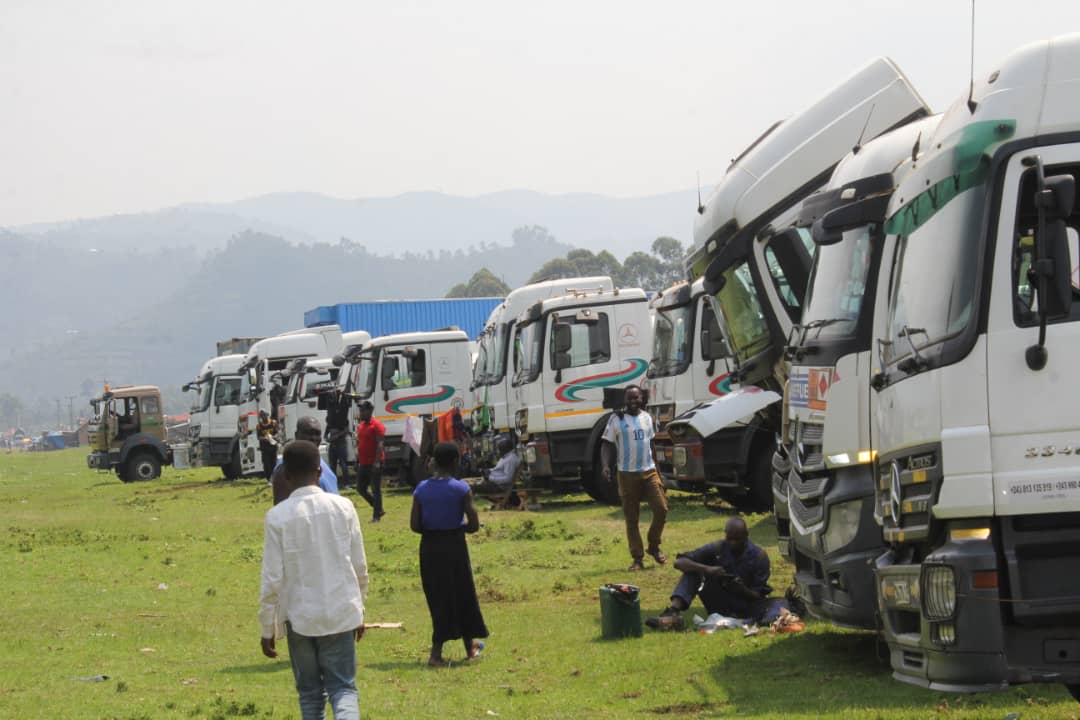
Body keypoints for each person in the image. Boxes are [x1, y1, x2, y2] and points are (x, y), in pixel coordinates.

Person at [259, 439, 369, 720]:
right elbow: (359, 567)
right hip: (341, 611)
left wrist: (267, 629)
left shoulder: (277, 517)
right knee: (343, 690)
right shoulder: (344, 507)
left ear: (285, 476)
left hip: (300, 618)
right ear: (320, 471)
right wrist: (360, 610)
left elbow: (272, 579)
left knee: (310, 695)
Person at [410, 441, 488, 667]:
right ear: (455, 461)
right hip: (455, 547)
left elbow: (415, 525)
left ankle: (436, 653)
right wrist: (457, 528)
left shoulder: (421, 489)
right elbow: (473, 524)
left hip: (430, 549)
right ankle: (469, 647)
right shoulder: (461, 489)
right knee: (463, 593)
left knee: (438, 597)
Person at [646, 516, 783, 630]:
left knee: (774, 605)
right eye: (729, 538)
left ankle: (744, 620)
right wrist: (708, 569)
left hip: (744, 605)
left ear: (746, 536)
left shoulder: (759, 556)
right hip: (719, 602)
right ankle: (672, 614)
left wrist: (742, 589)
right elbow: (679, 563)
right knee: (693, 570)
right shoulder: (718, 547)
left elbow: (759, 596)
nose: (732, 543)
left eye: (737, 539)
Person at [600, 385, 667, 571]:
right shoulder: (616, 419)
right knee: (632, 518)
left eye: (636, 398)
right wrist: (605, 466)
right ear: (624, 400)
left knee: (661, 509)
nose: (633, 401)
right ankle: (637, 558)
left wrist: (659, 474)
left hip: (649, 471)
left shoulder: (647, 418)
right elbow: (605, 444)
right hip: (627, 474)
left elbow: (652, 446)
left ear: (641, 399)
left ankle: (654, 546)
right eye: (629, 398)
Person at [272, 417, 338, 505]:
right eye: (309, 433)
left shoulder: (317, 460)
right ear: (296, 435)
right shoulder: (286, 465)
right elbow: (282, 508)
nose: (313, 438)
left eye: (317, 434)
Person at [354, 400, 386, 522]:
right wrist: (358, 460)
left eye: (362, 411)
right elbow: (360, 444)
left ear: (369, 411)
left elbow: (380, 444)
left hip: (374, 462)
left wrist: (377, 462)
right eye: (360, 410)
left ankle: (376, 516)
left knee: (375, 489)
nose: (360, 413)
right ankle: (378, 507)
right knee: (360, 488)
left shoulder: (377, 425)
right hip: (363, 462)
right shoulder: (360, 426)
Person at [324, 389, 353, 488]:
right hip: (333, 444)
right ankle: (333, 484)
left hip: (340, 444)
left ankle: (347, 483)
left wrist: (336, 436)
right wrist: (326, 437)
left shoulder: (343, 419)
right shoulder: (331, 420)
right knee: (332, 466)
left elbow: (346, 430)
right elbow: (327, 430)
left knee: (343, 464)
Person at [256, 410, 279, 481]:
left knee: (274, 463)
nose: (264, 417)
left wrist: (273, 437)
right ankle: (269, 479)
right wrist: (264, 438)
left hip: (273, 447)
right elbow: (258, 437)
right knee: (266, 464)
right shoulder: (259, 426)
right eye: (262, 416)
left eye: (265, 415)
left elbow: (278, 433)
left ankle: (275, 478)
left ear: (268, 415)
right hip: (265, 448)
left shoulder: (273, 423)